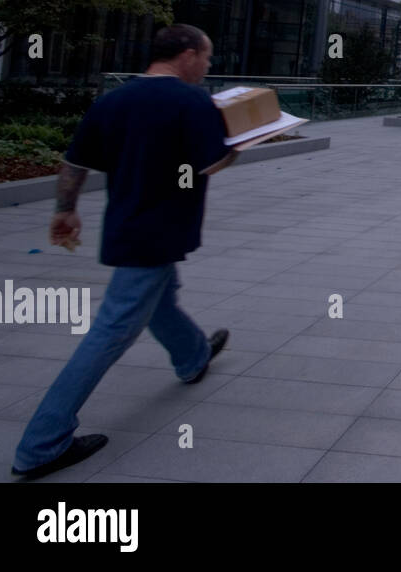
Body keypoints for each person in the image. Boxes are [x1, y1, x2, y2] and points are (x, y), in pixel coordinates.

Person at [12, 24, 236, 480]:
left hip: (126, 227)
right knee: (111, 331)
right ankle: (41, 445)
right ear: (188, 54)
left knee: (163, 299)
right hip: (159, 233)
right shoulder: (192, 101)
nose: (208, 66)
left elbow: (75, 162)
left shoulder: (114, 99)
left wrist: (65, 210)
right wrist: (245, 140)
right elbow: (213, 161)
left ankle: (193, 356)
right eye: (207, 57)